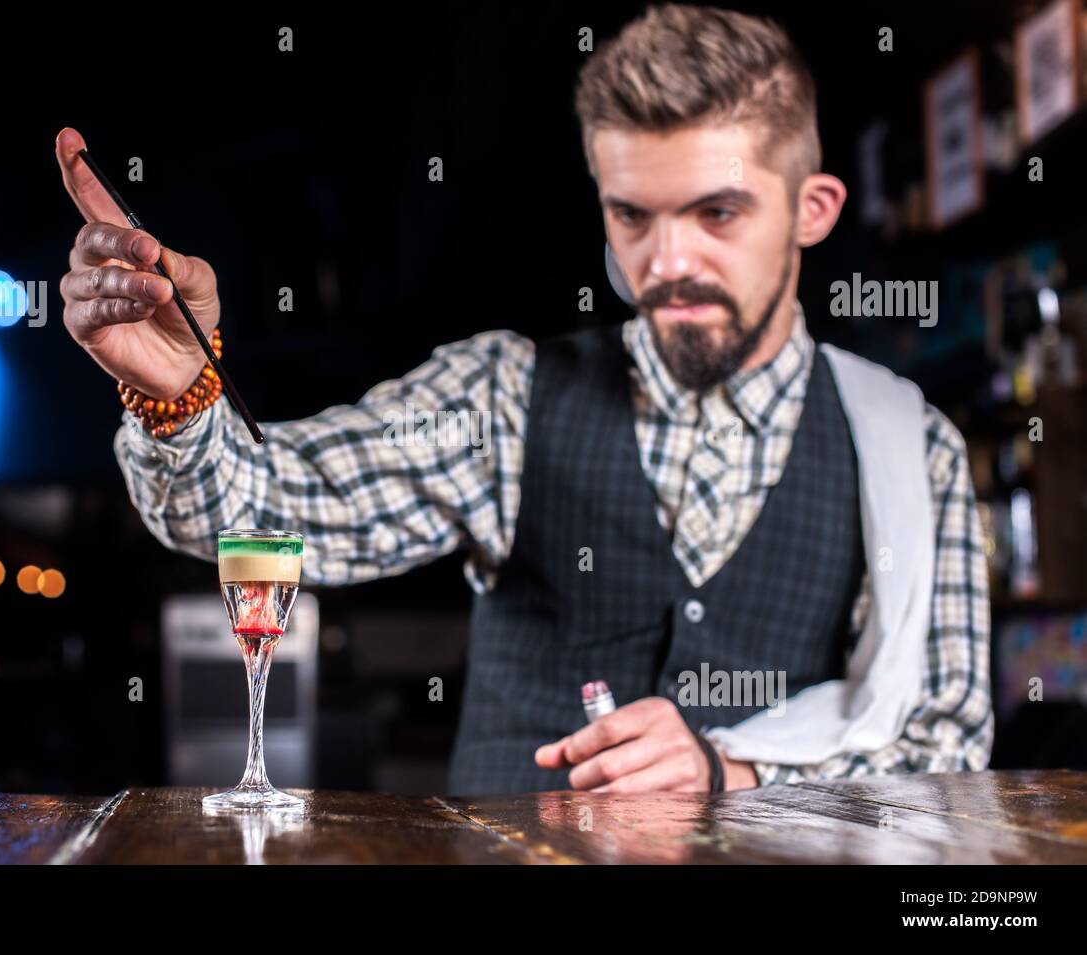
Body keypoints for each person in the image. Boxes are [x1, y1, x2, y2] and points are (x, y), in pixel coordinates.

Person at [55, 3, 992, 796]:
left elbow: (948, 756)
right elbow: (257, 518)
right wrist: (180, 395)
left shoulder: (909, 448)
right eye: (633, 216)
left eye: (717, 212)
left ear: (815, 211)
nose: (666, 265)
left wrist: (736, 773)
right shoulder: (503, 397)